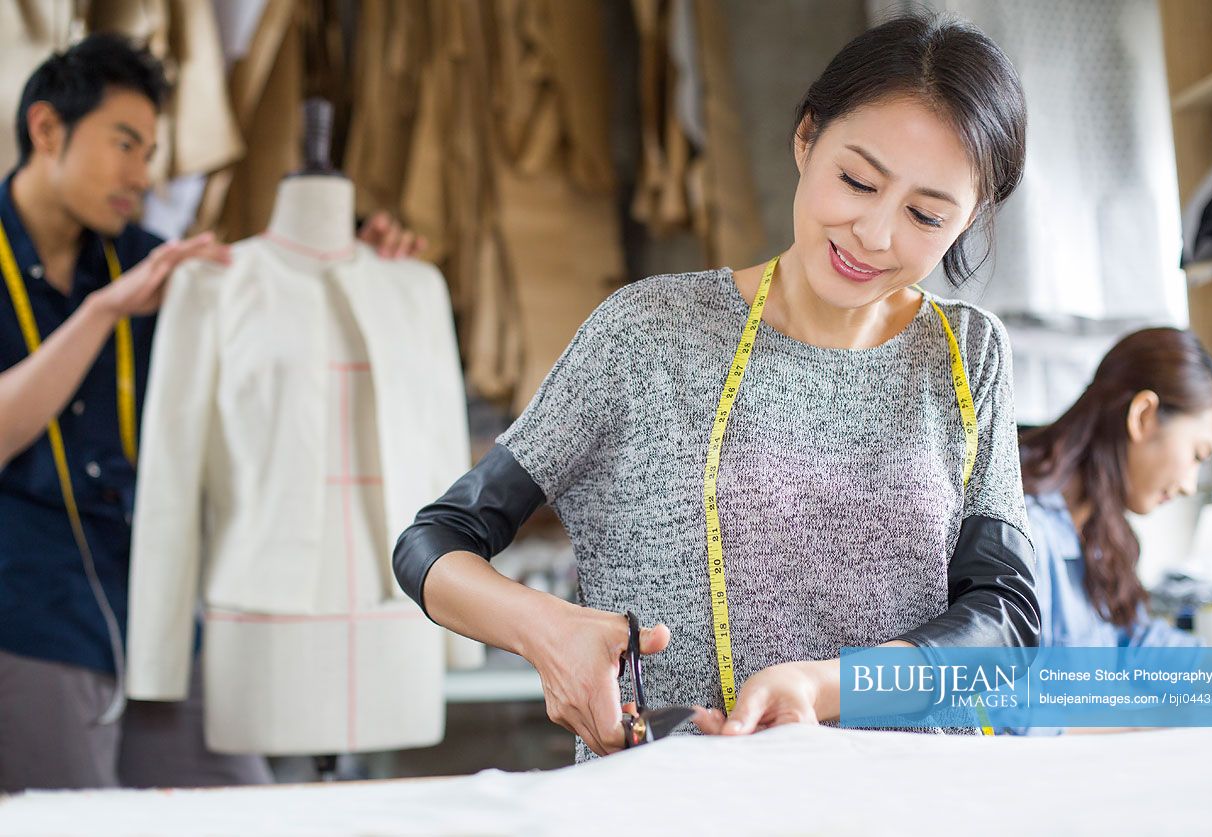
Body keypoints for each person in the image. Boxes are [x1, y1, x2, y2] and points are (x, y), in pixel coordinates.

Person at [394, 12, 1040, 759]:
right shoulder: (648, 333)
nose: (875, 234)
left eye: (925, 215)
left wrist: (824, 687)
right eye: (857, 181)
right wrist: (546, 630)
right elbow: (433, 542)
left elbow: (1006, 621)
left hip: (909, 794)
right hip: (679, 795)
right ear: (806, 139)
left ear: (967, 220)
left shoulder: (965, 354)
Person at [0, 34, 424, 792]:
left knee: (239, 803)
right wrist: (102, 313)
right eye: (124, 144)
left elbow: (270, 335)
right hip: (30, 620)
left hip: (155, 612)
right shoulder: (131, 283)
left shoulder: (157, 262)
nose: (142, 175)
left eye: (151, 151)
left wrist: (353, 268)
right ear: (46, 129)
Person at [1019, 328, 1212, 650]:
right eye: (1196, 455)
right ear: (1143, 415)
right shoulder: (1025, 530)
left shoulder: (1098, 530)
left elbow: (1134, 643)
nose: (1189, 487)